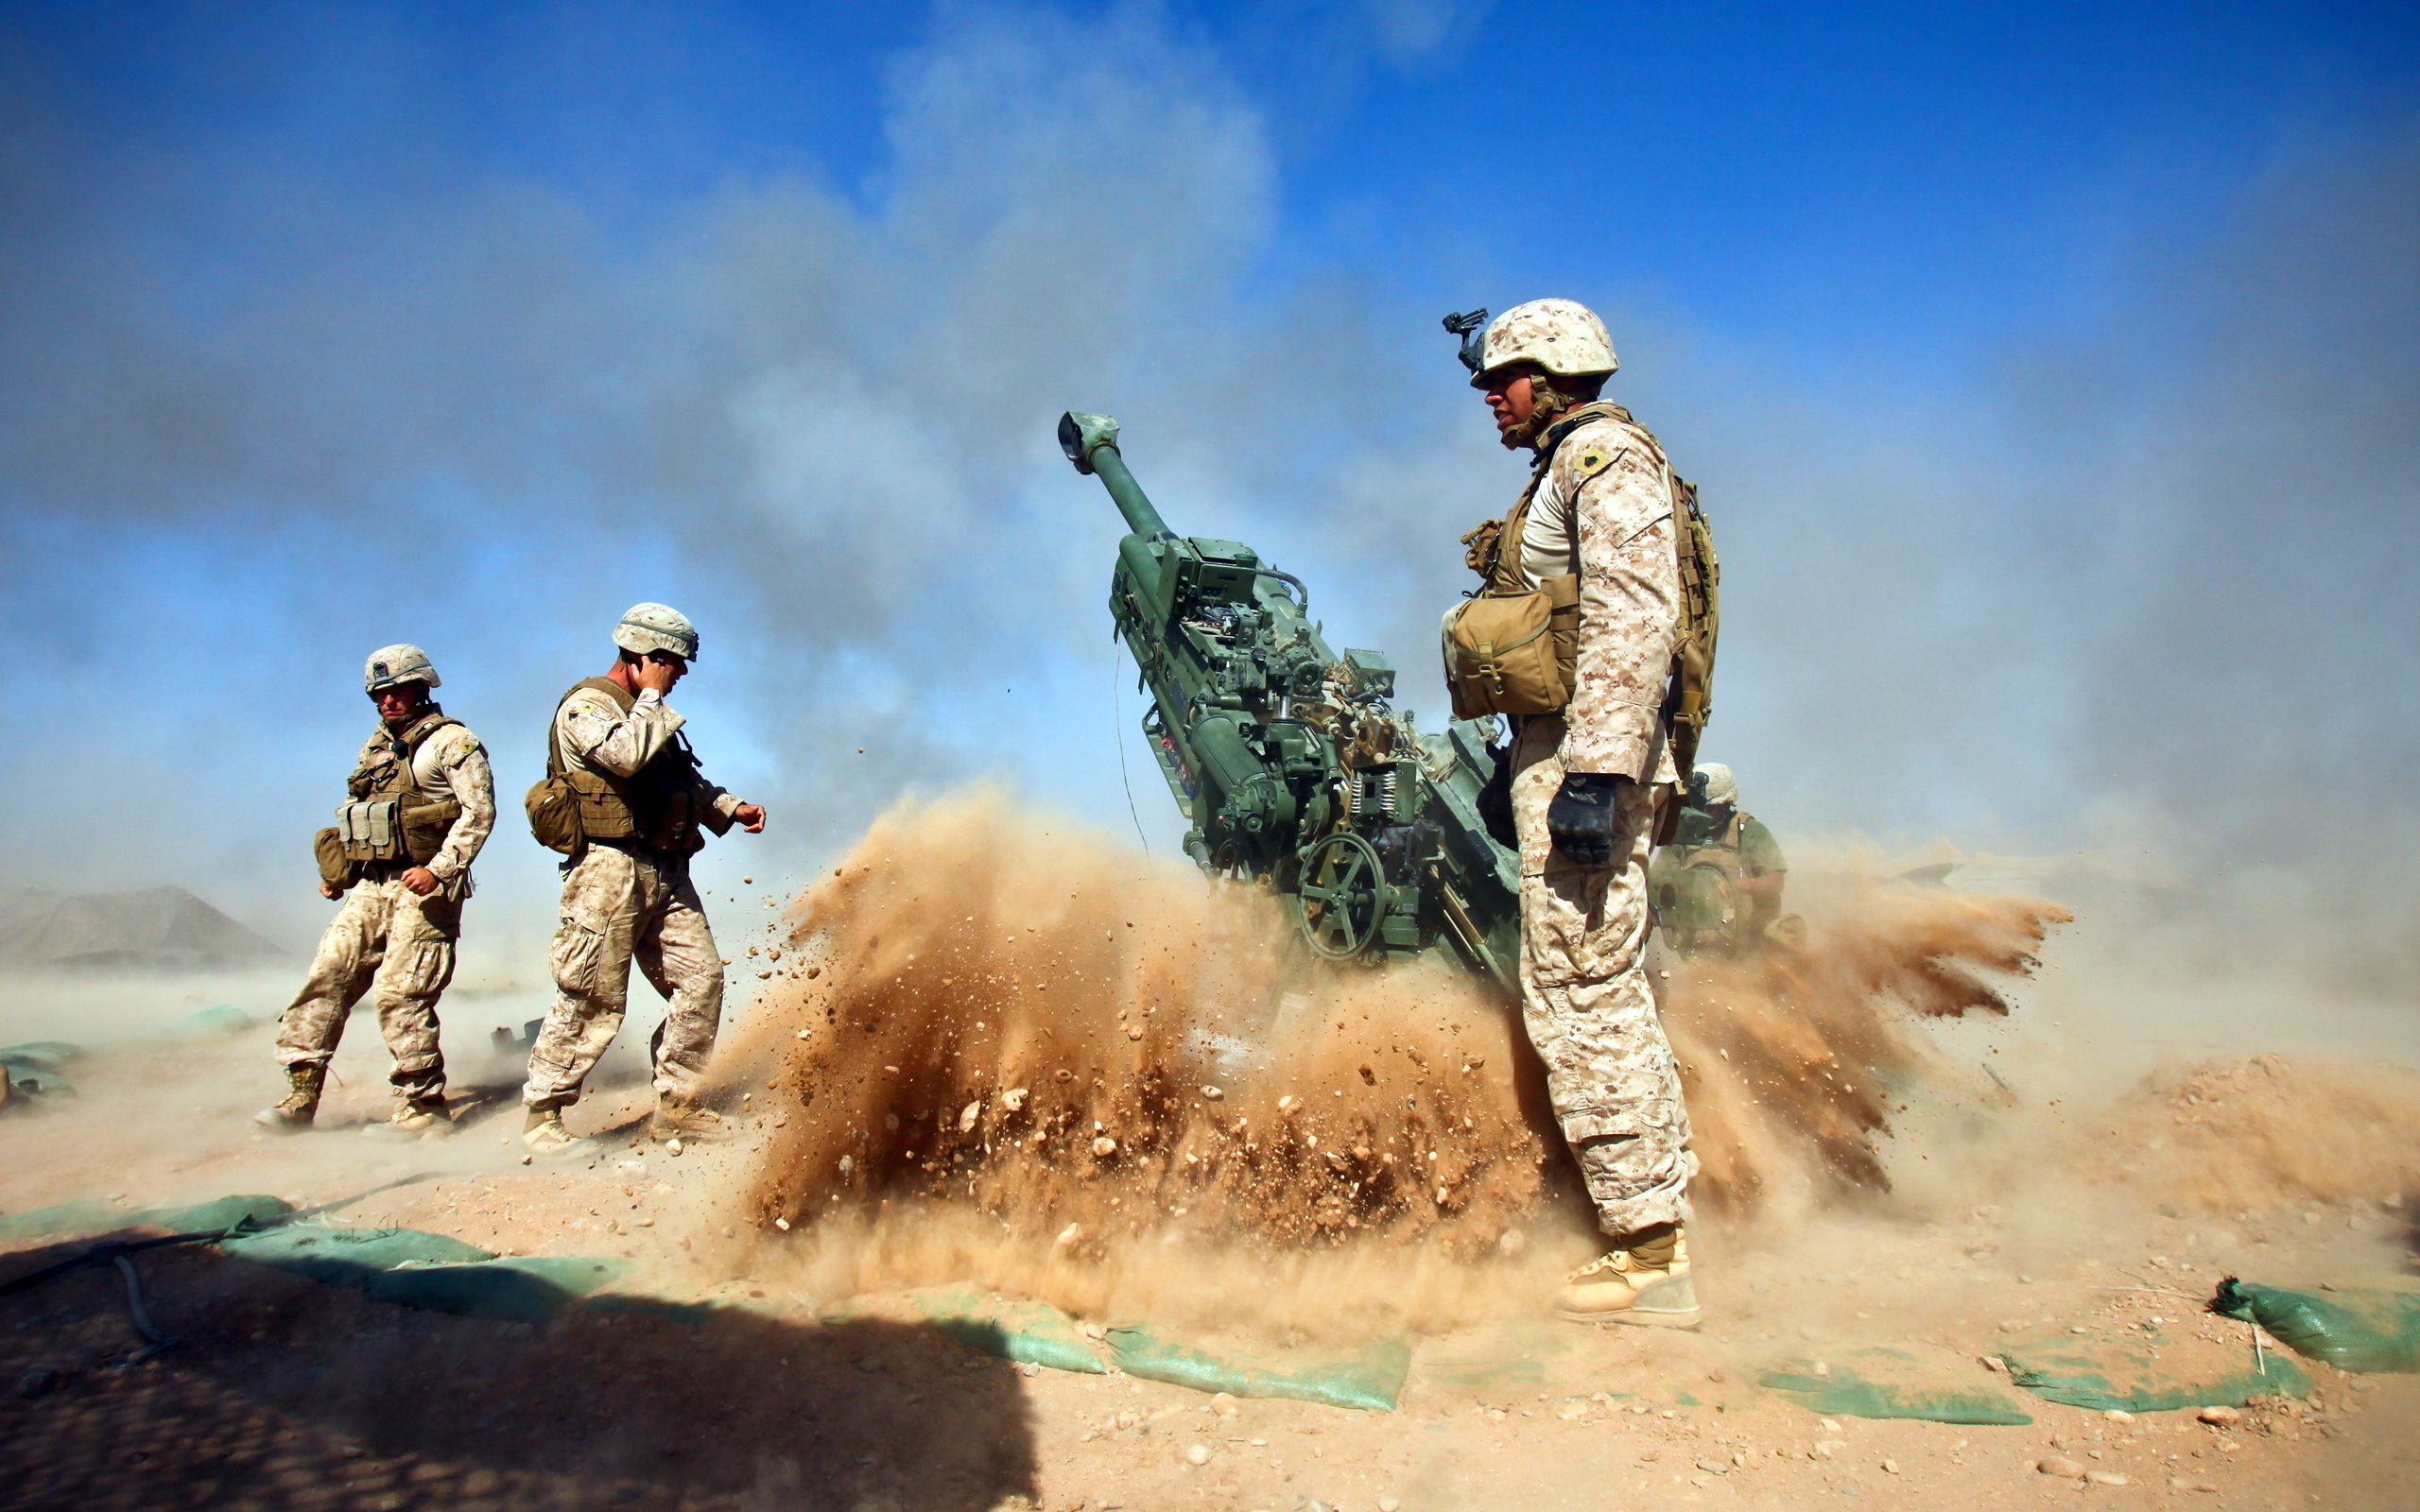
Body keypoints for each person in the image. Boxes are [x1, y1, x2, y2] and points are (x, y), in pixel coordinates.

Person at [1447, 299, 1704, 1328]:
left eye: (1502, 378)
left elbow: (1632, 620)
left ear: (1553, 374)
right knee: (1591, 982)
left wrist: (1594, 775)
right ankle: (1652, 1226)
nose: (1489, 396)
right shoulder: (1567, 467)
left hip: (1587, 762)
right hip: (1558, 755)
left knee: (1582, 990)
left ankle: (1650, 1252)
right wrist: (1517, 764)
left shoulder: (1602, 462)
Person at [521, 603, 765, 1157]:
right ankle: (544, 1114)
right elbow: (625, 758)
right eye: (674, 663)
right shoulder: (588, 706)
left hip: (666, 868)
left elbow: (681, 781)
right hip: (607, 870)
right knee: (592, 995)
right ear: (645, 655)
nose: (681, 673)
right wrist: (651, 696)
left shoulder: (646, 713)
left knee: (701, 982)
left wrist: (730, 807)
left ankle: (678, 1106)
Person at [258, 644, 494, 1136]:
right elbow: (360, 813)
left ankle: (423, 1107)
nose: (388, 700)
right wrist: (340, 872)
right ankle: (300, 1094)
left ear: (421, 688)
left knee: (401, 993)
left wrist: (440, 870)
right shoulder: (377, 748)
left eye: (398, 690)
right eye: (379, 694)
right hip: (373, 883)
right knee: (328, 974)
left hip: (425, 887)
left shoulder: (452, 742)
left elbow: (479, 812)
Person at [1651, 763, 1789, 956]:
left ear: (1725, 805)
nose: (1700, 814)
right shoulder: (1682, 835)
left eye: (1708, 808)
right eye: (1694, 806)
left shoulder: (1749, 832)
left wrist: (1736, 886)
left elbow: (1775, 882)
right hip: (1697, 948)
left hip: (1749, 945)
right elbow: (1658, 883)